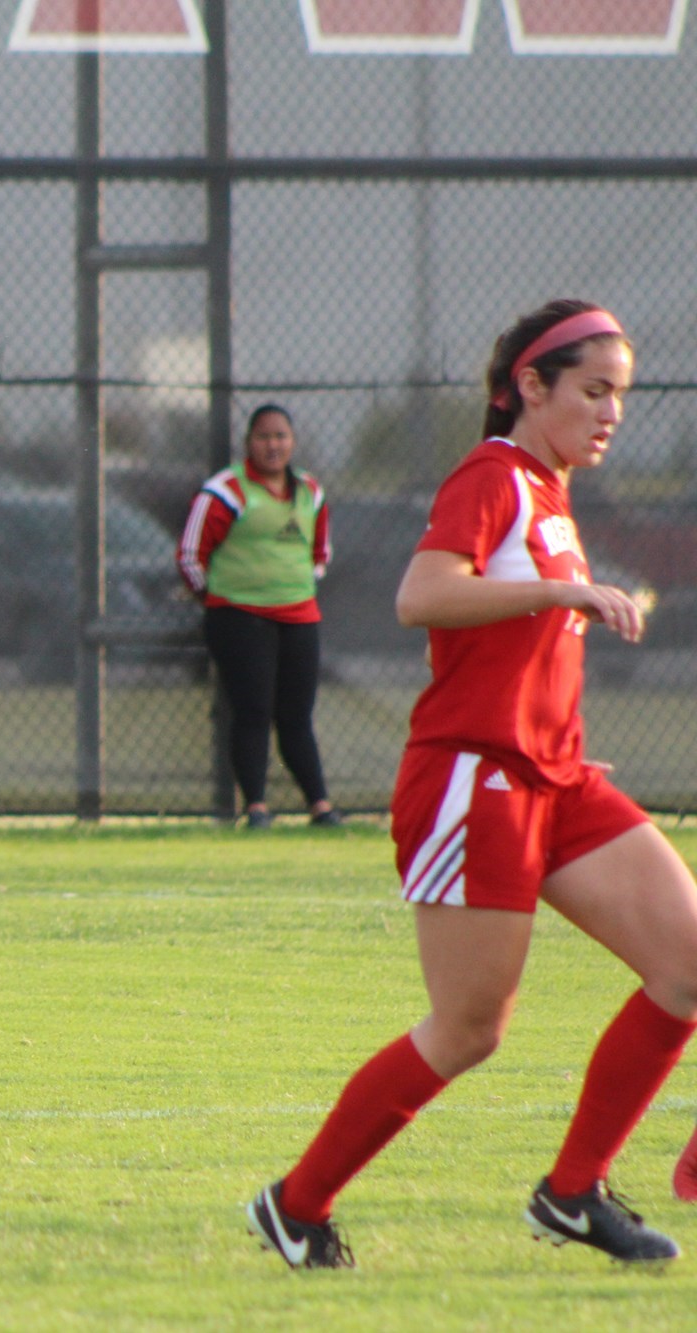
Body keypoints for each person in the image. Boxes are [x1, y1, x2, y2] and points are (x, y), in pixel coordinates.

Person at [246, 300, 697, 1268]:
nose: (610, 413)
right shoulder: (492, 475)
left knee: (688, 964)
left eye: (618, 394)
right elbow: (422, 594)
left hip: (555, 778)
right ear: (529, 386)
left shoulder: (550, 491)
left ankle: (572, 1193)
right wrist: (562, 590)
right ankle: (296, 1203)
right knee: (467, 1030)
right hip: (472, 777)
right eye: (592, 391)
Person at [178, 404, 340, 829]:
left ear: (293, 442)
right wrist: (219, 598)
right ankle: (256, 807)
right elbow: (191, 556)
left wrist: (294, 588)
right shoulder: (226, 491)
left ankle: (320, 807)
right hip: (240, 617)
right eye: (264, 437)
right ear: (249, 442)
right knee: (253, 711)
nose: (273, 445)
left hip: (299, 616)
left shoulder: (309, 492)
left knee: (296, 716)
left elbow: (320, 553)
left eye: (281, 436)